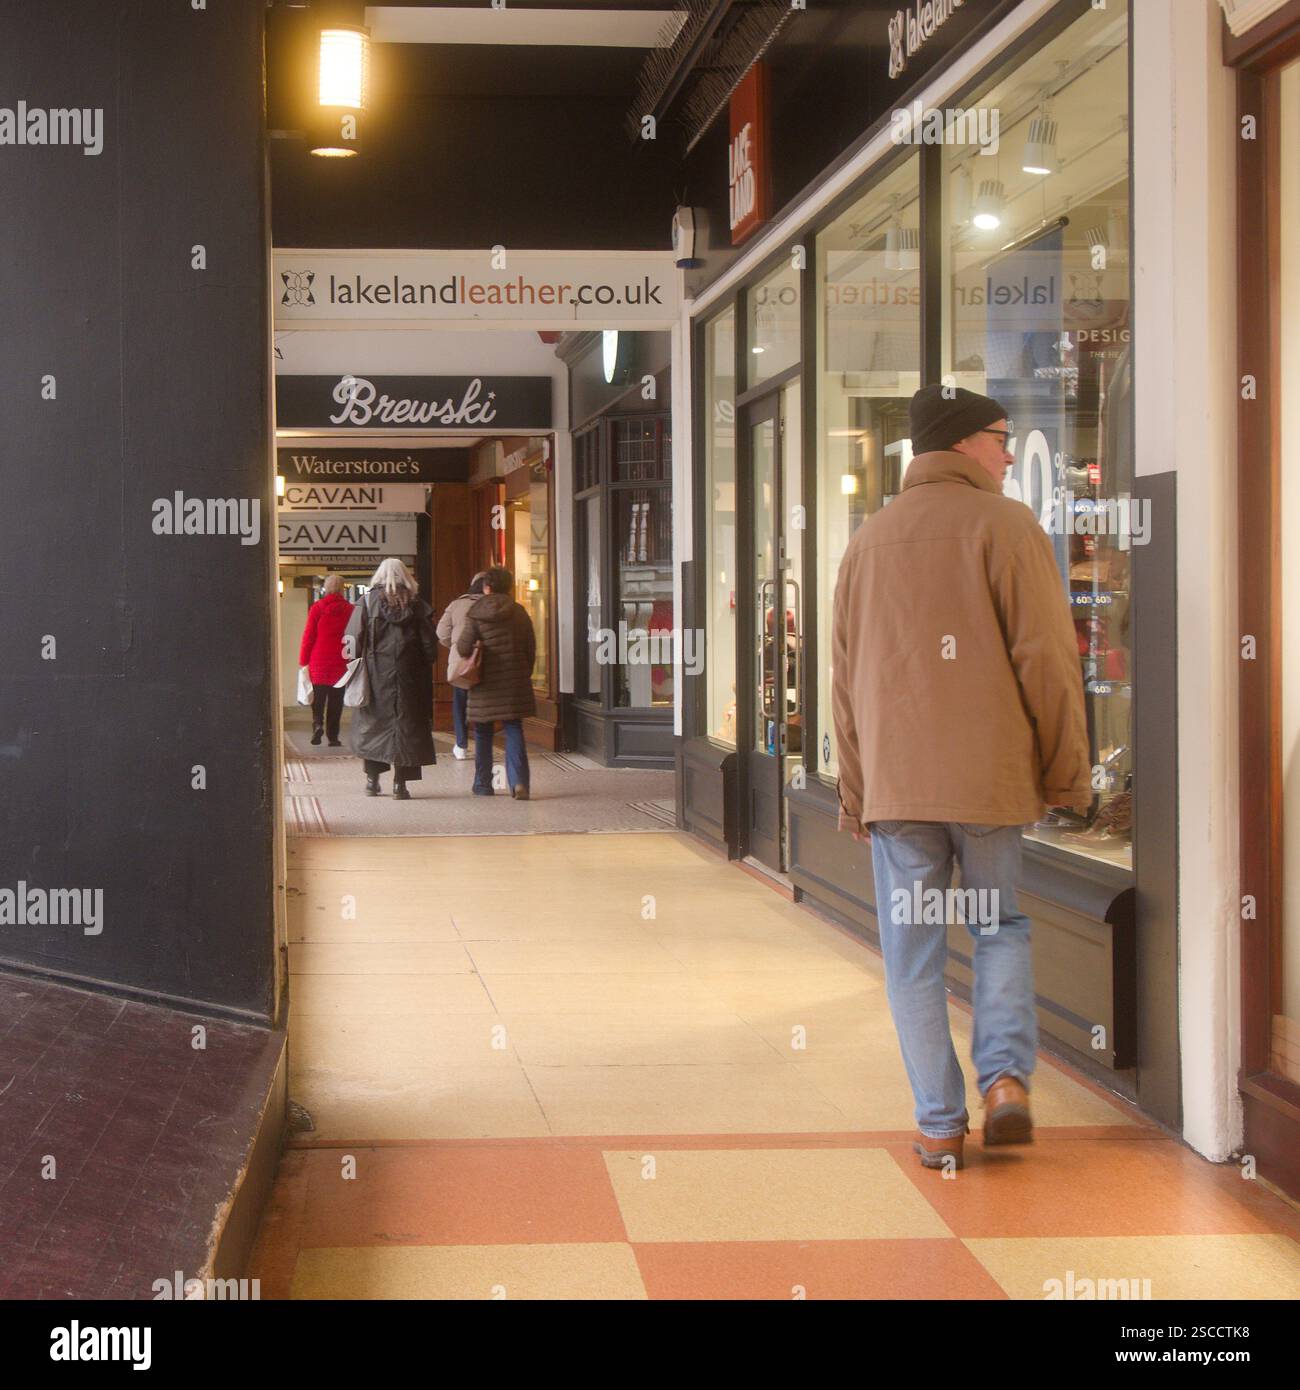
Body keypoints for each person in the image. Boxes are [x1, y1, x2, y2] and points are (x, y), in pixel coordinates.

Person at [831, 384, 1090, 1172]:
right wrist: (1067, 776)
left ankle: (940, 1124)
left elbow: (844, 683)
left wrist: (856, 793)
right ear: (967, 441)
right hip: (988, 784)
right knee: (998, 925)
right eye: (1004, 437)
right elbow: (1047, 663)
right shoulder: (1007, 527)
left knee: (910, 957)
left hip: (899, 793)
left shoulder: (868, 540)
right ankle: (1006, 1079)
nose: (1013, 452)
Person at [345, 558, 439, 800]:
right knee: (407, 725)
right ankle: (400, 785)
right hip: (410, 677)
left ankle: (372, 781)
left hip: (376, 677)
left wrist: (354, 662)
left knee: (373, 726)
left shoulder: (366, 601)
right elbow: (430, 646)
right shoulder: (417, 605)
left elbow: (352, 639)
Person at [454, 565, 535, 799]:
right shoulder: (519, 612)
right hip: (513, 680)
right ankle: (519, 782)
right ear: (509, 587)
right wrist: (524, 672)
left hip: (484, 683)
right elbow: (530, 648)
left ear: (486, 587)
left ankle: (482, 784)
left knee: (483, 732)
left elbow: (462, 647)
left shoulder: (476, 612)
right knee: (513, 728)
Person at [298, 574, 354, 747]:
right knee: (336, 701)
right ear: (342, 589)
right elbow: (354, 636)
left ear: (326, 589)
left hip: (318, 659)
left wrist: (303, 660)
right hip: (341, 661)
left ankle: (317, 724)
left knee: (318, 698)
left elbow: (309, 636)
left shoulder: (317, 608)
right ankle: (333, 737)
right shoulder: (350, 609)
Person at [436, 571, 487, 760]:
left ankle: (461, 744)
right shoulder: (493, 604)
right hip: (488, 661)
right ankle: (483, 745)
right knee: (484, 702)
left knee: (460, 703)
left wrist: (455, 646)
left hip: (462, 662)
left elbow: (441, 632)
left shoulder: (456, 604)